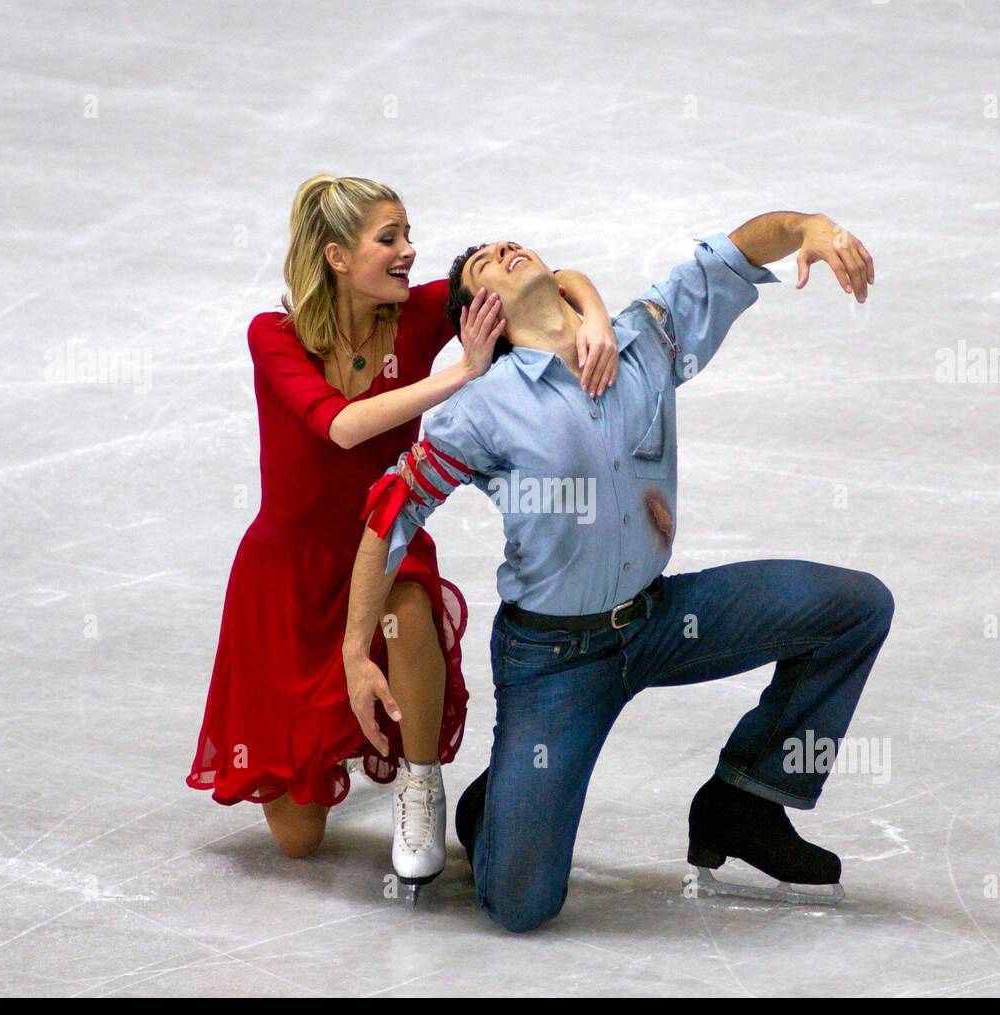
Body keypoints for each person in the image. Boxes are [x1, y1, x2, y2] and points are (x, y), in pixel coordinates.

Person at [343, 210, 894, 932]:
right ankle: (496, 805)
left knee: (855, 608)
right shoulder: (484, 408)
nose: (504, 251)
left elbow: (726, 256)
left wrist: (810, 229)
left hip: (663, 619)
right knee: (521, 903)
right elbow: (392, 510)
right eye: (485, 265)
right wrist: (356, 648)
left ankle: (747, 802)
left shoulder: (643, 339)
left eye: (514, 245)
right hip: (554, 659)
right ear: (484, 317)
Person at [188, 175, 618, 902]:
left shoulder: (416, 314)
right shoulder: (275, 336)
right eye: (388, 239)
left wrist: (595, 319)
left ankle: (420, 786)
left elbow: (550, 277)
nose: (408, 252)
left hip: (385, 539)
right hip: (287, 574)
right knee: (299, 840)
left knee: (408, 607)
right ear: (333, 256)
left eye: (407, 234)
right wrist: (463, 373)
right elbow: (343, 424)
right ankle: (355, 731)